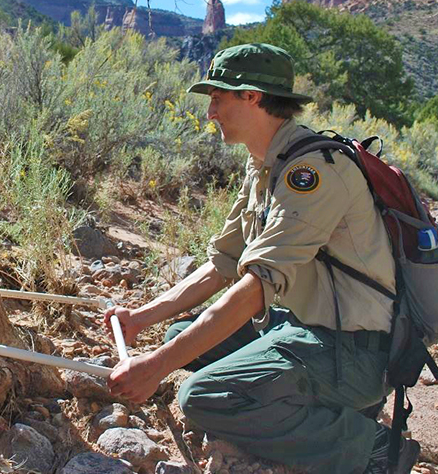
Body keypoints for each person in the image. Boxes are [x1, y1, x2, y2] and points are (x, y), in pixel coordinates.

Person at [104, 43, 420, 474]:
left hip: (353, 352)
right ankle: (323, 406)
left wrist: (156, 367)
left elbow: (256, 288)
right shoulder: (264, 166)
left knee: (202, 396)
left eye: (218, 99)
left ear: (251, 96)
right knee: (180, 335)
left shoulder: (314, 173)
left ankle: (374, 450)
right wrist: (141, 318)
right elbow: (223, 263)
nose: (210, 113)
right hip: (308, 329)